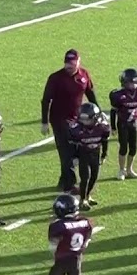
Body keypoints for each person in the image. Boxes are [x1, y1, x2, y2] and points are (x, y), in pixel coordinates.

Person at [41, 50, 97, 193]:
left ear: (78, 62)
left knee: (76, 151)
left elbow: (90, 93)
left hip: (78, 119)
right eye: (67, 63)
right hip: (59, 120)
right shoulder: (55, 78)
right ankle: (69, 185)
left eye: (72, 64)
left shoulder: (84, 75)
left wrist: (98, 112)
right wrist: (44, 122)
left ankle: (63, 179)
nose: (68, 66)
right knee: (66, 152)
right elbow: (46, 100)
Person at [41, 194, 92, 275]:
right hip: (76, 259)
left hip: (61, 260)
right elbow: (86, 242)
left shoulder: (57, 226)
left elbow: (53, 245)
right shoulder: (86, 223)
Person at [68, 103, 111, 210]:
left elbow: (105, 141)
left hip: (95, 154)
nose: (85, 122)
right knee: (85, 178)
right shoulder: (76, 129)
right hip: (83, 155)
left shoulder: (102, 127)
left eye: (87, 120)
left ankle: (87, 196)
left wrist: (104, 154)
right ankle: (82, 199)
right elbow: (72, 145)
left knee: (94, 177)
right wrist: (74, 157)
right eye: (82, 120)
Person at [109, 68, 137, 181]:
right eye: (131, 82)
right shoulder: (118, 95)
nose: (134, 85)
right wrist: (113, 127)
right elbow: (113, 111)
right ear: (125, 82)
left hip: (134, 123)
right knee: (123, 147)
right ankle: (121, 170)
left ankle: (129, 169)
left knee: (133, 148)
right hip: (123, 124)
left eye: (135, 83)